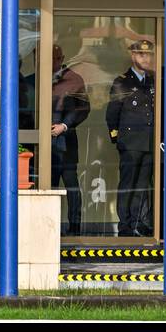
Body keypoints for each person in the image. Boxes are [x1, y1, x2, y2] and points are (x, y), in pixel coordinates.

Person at [106, 38, 156, 237]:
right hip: (130, 142)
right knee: (128, 184)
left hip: (150, 141)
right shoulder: (122, 81)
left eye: (149, 54)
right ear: (133, 55)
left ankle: (136, 221)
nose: (146, 58)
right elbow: (112, 113)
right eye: (142, 54)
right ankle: (125, 224)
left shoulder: (153, 79)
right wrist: (117, 138)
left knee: (142, 184)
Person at [50, 44, 90, 237]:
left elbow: (83, 108)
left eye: (55, 58)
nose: (52, 62)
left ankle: (74, 228)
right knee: (47, 187)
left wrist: (64, 126)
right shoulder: (34, 79)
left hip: (65, 142)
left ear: (61, 58)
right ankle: (49, 228)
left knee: (71, 185)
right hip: (43, 144)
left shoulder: (74, 79)